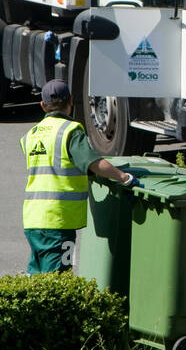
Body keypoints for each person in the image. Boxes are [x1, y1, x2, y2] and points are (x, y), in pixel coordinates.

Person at [21, 78, 140, 274]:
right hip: (58, 221)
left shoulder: (30, 135)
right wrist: (123, 177)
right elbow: (94, 163)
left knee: (35, 278)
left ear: (43, 105)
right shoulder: (70, 131)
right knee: (57, 281)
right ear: (71, 101)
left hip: (33, 218)